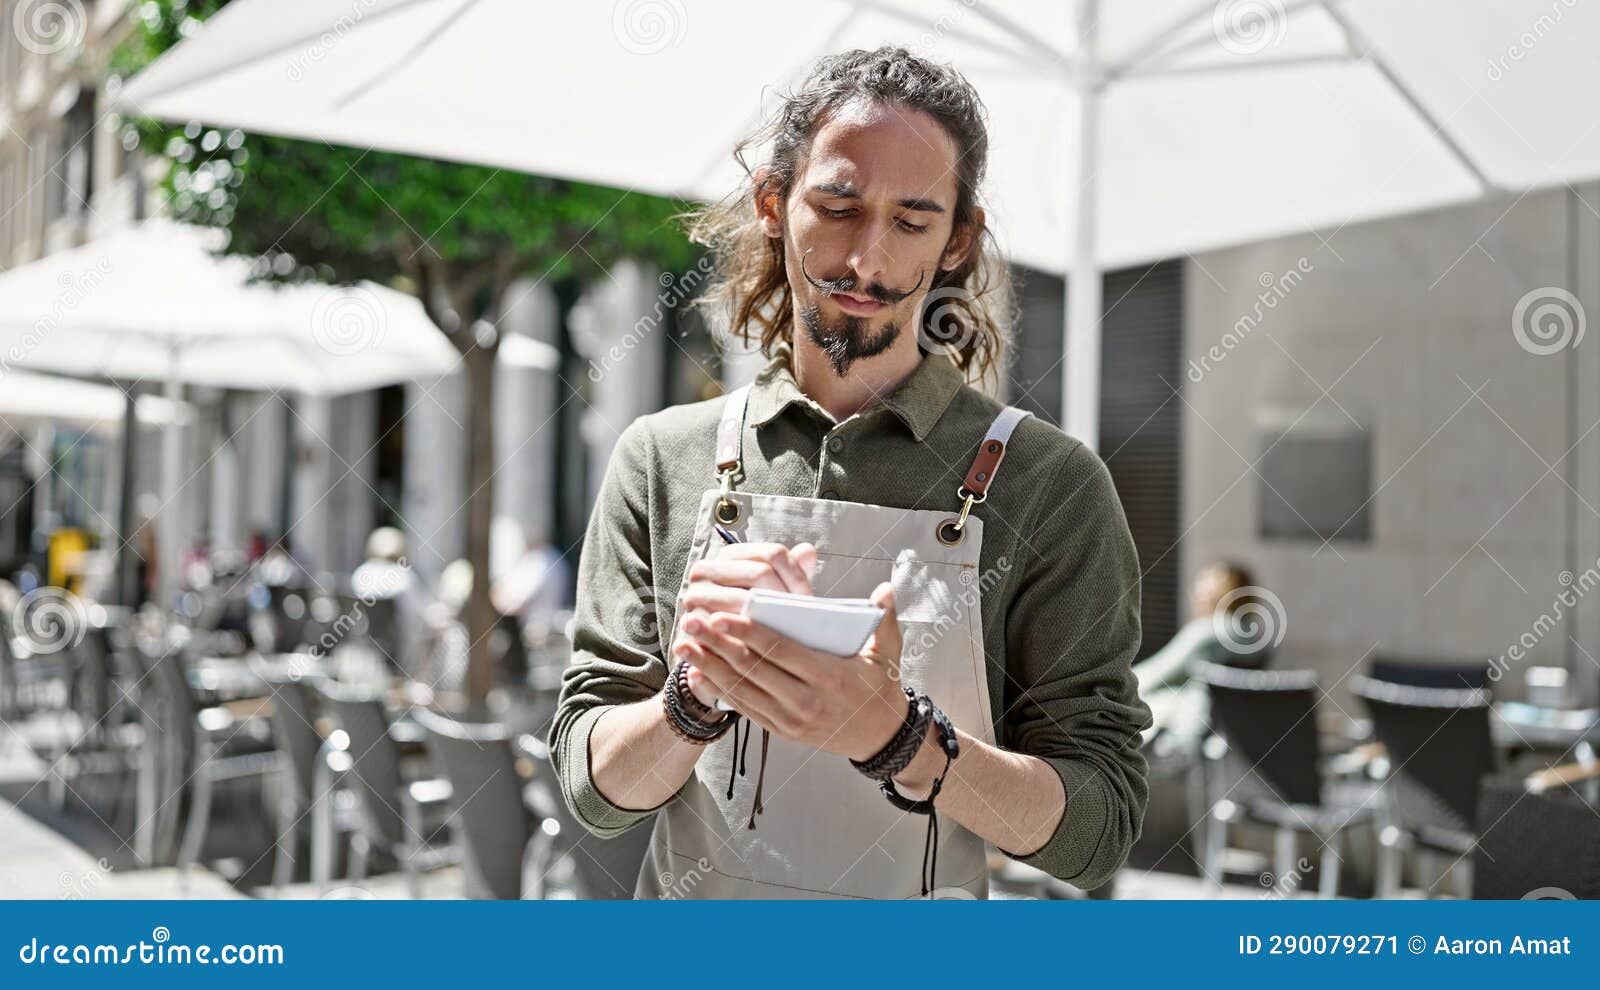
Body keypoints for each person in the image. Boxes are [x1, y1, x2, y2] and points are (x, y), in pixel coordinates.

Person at [550, 47, 1150, 900]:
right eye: (837, 206)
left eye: (911, 222)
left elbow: (1096, 836)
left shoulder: (1050, 484)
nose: (868, 262)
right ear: (773, 202)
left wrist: (901, 737)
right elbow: (593, 792)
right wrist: (691, 700)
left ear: (958, 240)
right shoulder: (661, 459)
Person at [1135, 561, 1265, 745]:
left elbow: (1154, 675)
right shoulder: (1254, 638)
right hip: (1232, 736)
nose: (1195, 593)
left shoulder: (1208, 632)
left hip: (1190, 732)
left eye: (1201, 587)